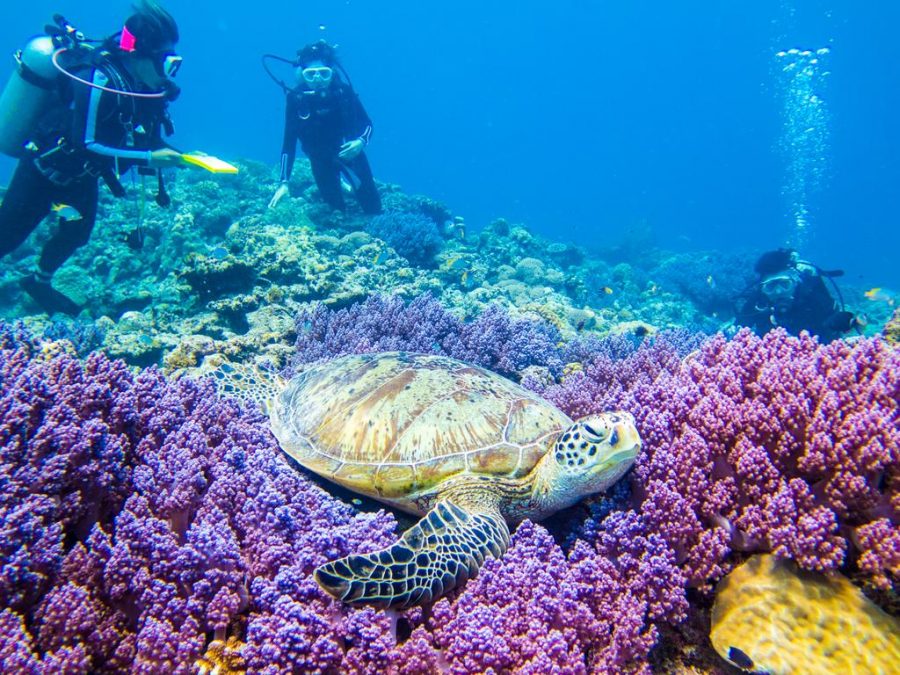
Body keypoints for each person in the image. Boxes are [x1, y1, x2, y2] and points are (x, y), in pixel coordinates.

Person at [0, 0, 186, 316]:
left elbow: (141, 135)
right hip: (44, 172)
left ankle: (38, 282)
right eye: (167, 61)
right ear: (140, 54)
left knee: (77, 233)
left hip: (83, 177)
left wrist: (176, 154)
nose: (171, 71)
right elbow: (84, 142)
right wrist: (148, 156)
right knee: (8, 238)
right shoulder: (98, 80)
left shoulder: (140, 88)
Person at [268, 40, 381, 214]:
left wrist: (360, 142)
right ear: (302, 74)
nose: (318, 80)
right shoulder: (296, 99)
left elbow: (367, 124)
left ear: (332, 72)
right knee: (335, 209)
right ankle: (341, 186)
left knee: (373, 207)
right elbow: (288, 143)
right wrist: (283, 183)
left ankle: (350, 186)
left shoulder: (343, 92)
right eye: (311, 74)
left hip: (350, 153)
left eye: (323, 73)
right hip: (319, 158)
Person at [735, 248, 859, 342]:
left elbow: (834, 328)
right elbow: (739, 330)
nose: (778, 292)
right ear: (762, 288)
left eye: (785, 284)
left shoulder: (812, 294)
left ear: (795, 281)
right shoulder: (758, 301)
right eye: (770, 286)